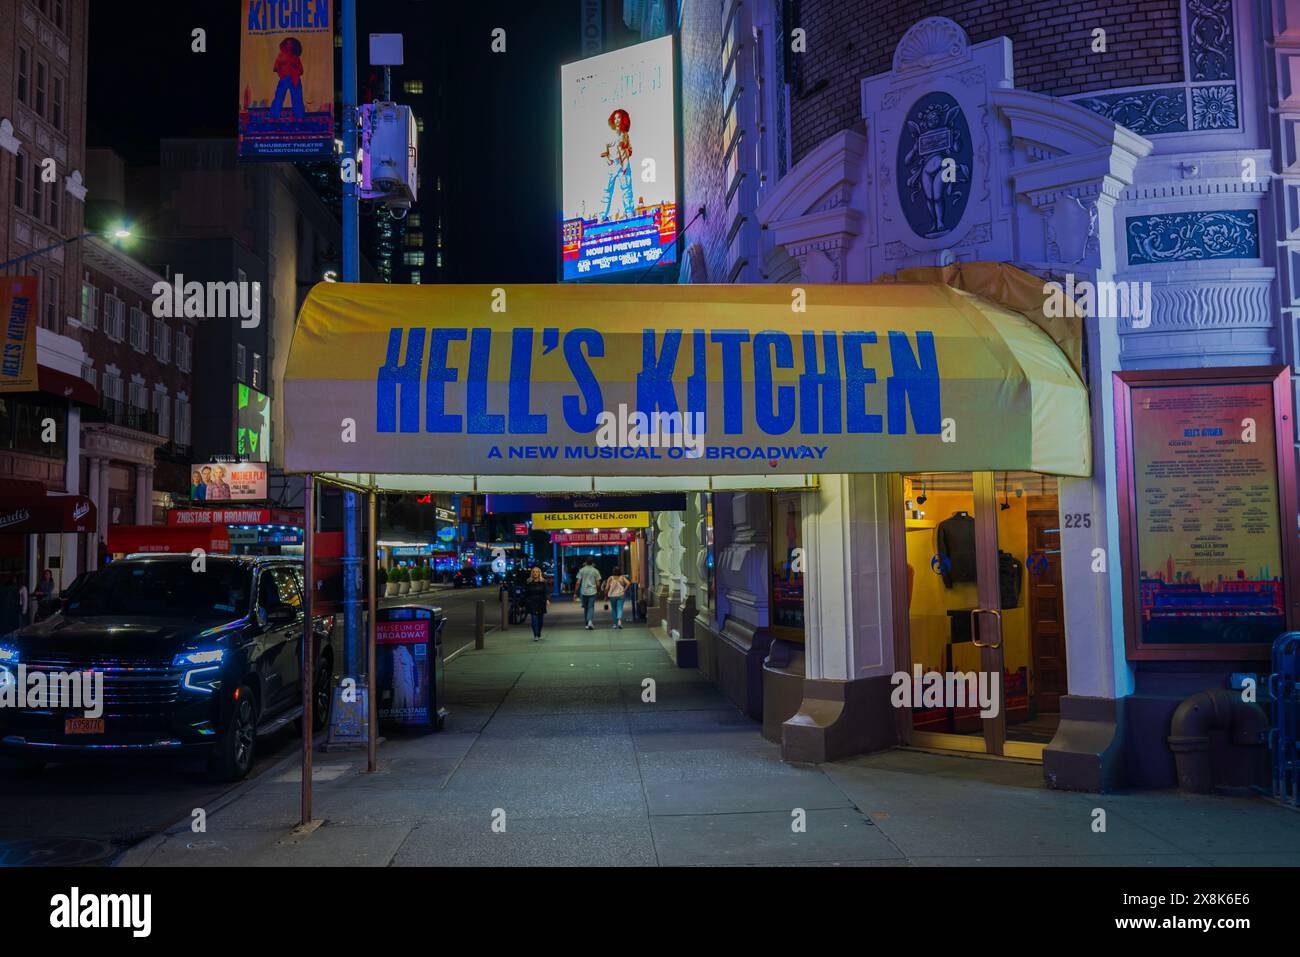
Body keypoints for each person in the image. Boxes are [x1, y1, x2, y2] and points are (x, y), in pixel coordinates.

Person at [573, 557, 602, 630]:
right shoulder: (595, 571)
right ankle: (590, 622)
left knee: (585, 608)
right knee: (591, 607)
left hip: (583, 592)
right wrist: (598, 591)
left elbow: (578, 582)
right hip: (593, 591)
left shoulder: (581, 570)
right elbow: (598, 583)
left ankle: (587, 623)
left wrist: (575, 593)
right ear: (592, 563)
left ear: (585, 562)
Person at [523, 566, 550, 642]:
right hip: (531, 602)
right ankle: (535, 635)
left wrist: (547, 599)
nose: (535, 573)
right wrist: (524, 602)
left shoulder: (543, 582)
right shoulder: (529, 582)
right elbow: (526, 593)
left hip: (541, 602)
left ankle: (539, 632)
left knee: (540, 620)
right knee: (534, 619)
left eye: (537, 572)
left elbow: (546, 592)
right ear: (532, 573)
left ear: (539, 573)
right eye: (534, 572)